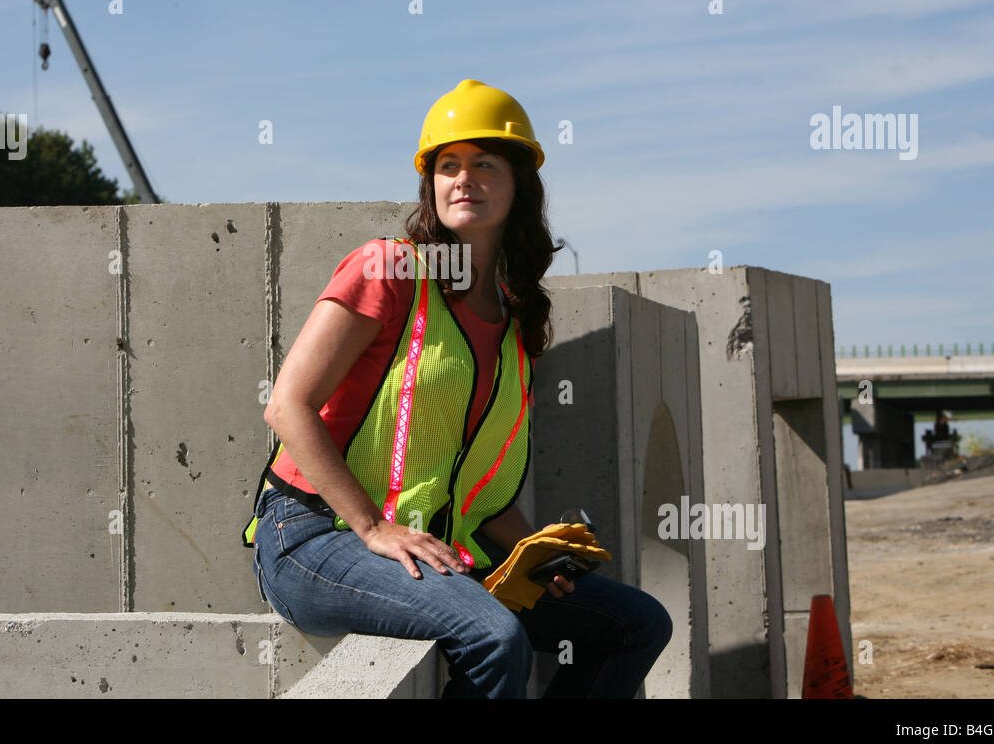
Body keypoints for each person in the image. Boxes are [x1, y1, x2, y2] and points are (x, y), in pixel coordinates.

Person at [241, 79, 673, 698]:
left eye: (484, 164)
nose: (463, 179)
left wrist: (532, 553)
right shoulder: (387, 270)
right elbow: (287, 406)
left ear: (519, 183)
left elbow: (480, 486)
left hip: (435, 544)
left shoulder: (513, 317)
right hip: (313, 536)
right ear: (431, 184)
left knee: (634, 624)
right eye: (449, 165)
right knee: (494, 636)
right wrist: (370, 527)